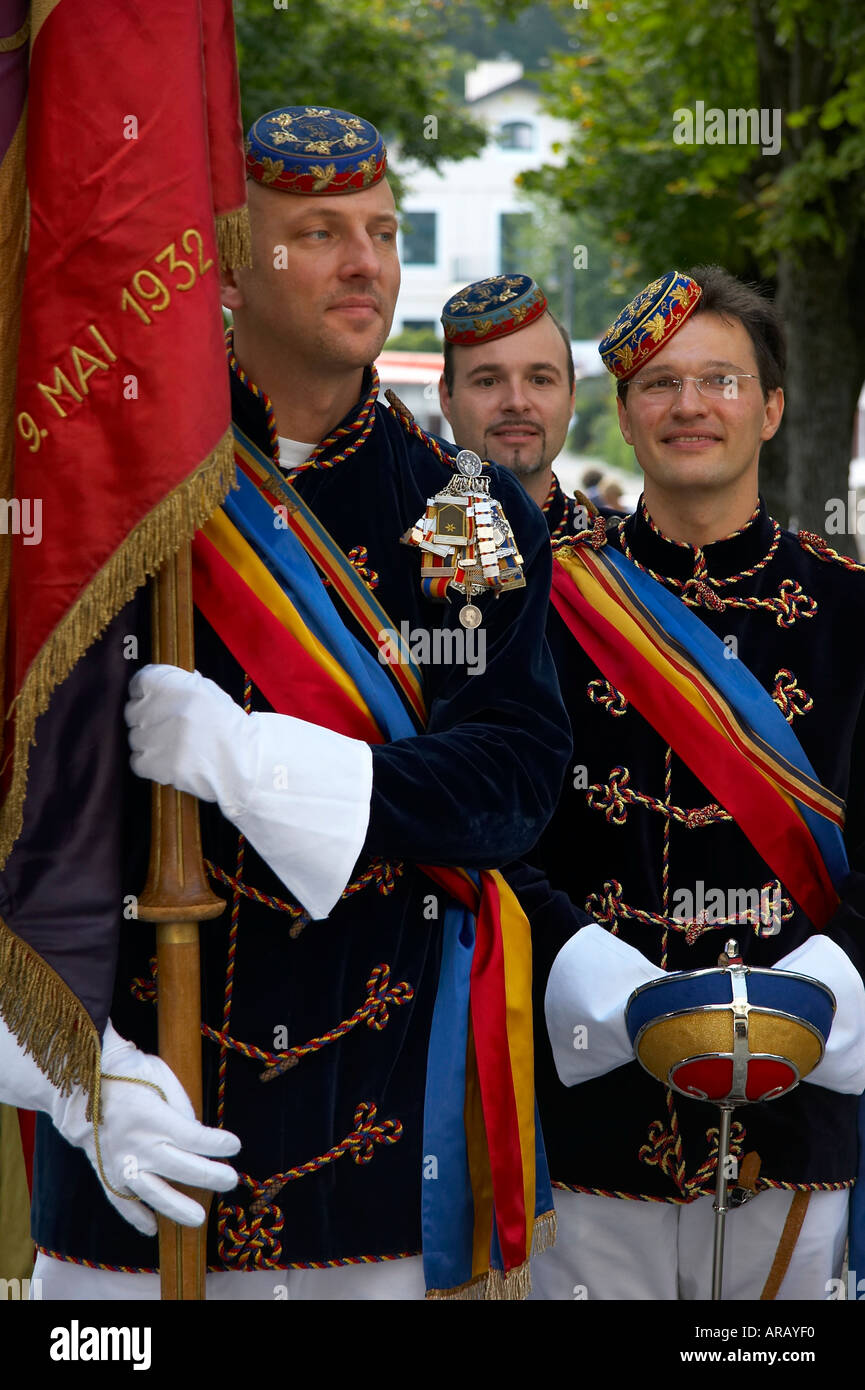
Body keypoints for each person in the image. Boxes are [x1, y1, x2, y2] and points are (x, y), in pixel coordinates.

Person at [0, 107, 571, 1300]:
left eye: (381, 230)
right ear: (222, 257)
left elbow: (513, 786)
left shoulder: (466, 510)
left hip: (369, 1162)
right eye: (316, 232)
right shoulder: (106, 492)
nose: (366, 262)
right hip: (130, 1153)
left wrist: (256, 761)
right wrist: (69, 1076)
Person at [509, 266, 865, 1300]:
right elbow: (494, 837)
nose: (690, 406)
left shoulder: (850, 611)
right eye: (659, 384)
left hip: (798, 1124)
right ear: (623, 415)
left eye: (719, 380)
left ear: (772, 406)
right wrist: (601, 990)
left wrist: (818, 999)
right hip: (587, 1122)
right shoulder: (544, 605)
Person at [438, 275, 585, 540]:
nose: (517, 403)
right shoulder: (400, 549)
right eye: (488, 381)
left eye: (540, 380)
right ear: (447, 398)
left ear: (571, 397)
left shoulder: (617, 554)